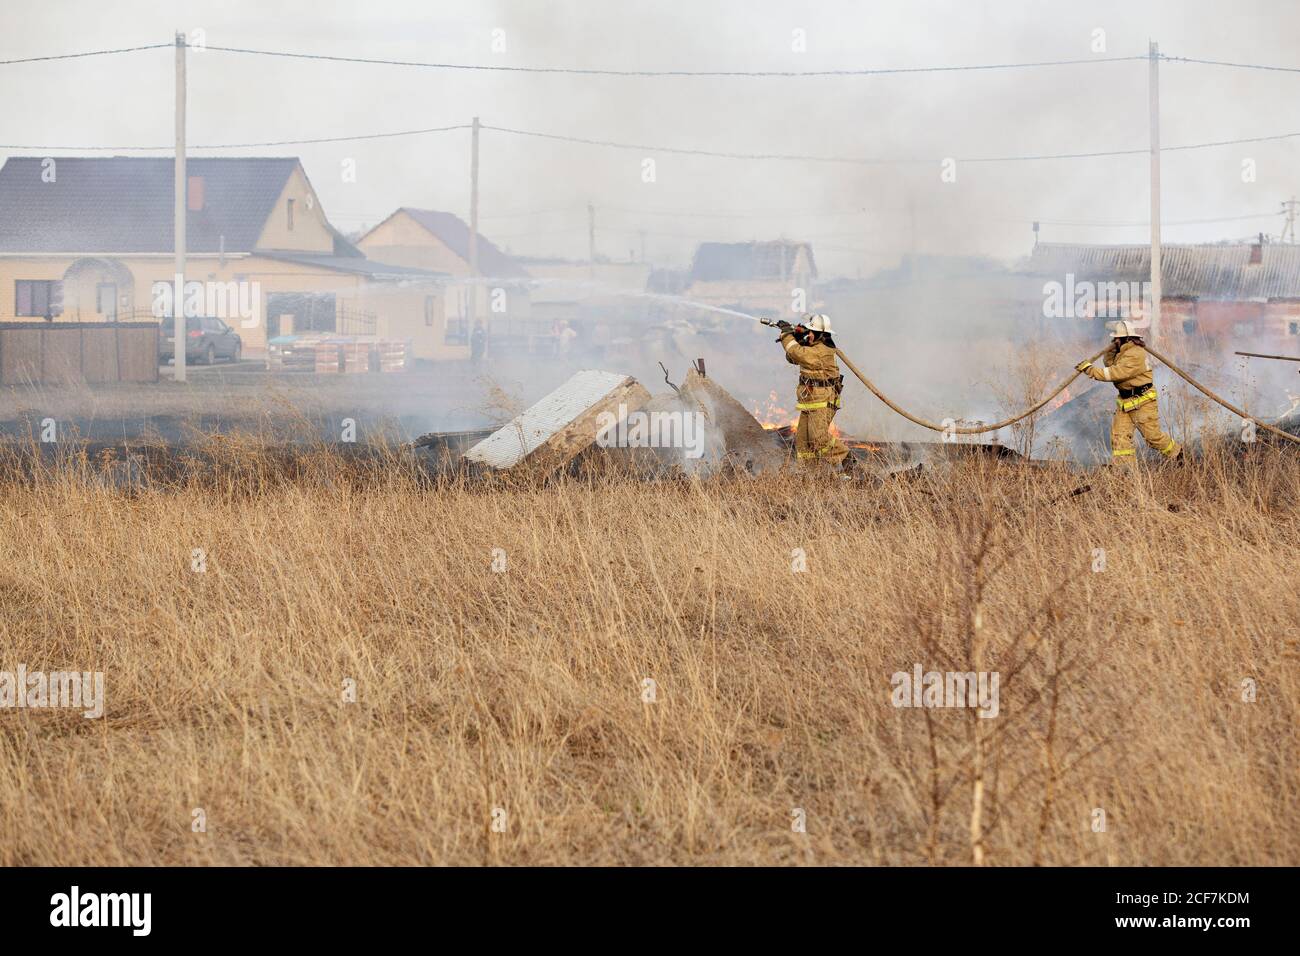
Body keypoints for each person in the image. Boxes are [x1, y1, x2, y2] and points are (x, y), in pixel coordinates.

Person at [1075, 320, 1181, 464]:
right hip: (1125, 403)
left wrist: (1090, 370)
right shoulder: (1124, 352)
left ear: (1124, 339)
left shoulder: (1135, 354)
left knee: (1153, 438)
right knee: (1120, 437)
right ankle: (1126, 469)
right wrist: (1112, 351)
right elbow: (1111, 364)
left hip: (1142, 402)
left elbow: (1115, 373)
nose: (1114, 341)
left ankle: (1178, 455)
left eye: (1116, 339)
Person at [775, 313, 849, 470]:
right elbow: (792, 357)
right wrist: (798, 338)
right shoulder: (814, 348)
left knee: (818, 439)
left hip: (823, 400)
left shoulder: (823, 351)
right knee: (803, 441)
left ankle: (848, 460)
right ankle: (811, 473)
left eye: (810, 332)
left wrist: (787, 334)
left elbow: (797, 353)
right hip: (810, 400)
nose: (808, 335)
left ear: (820, 335)